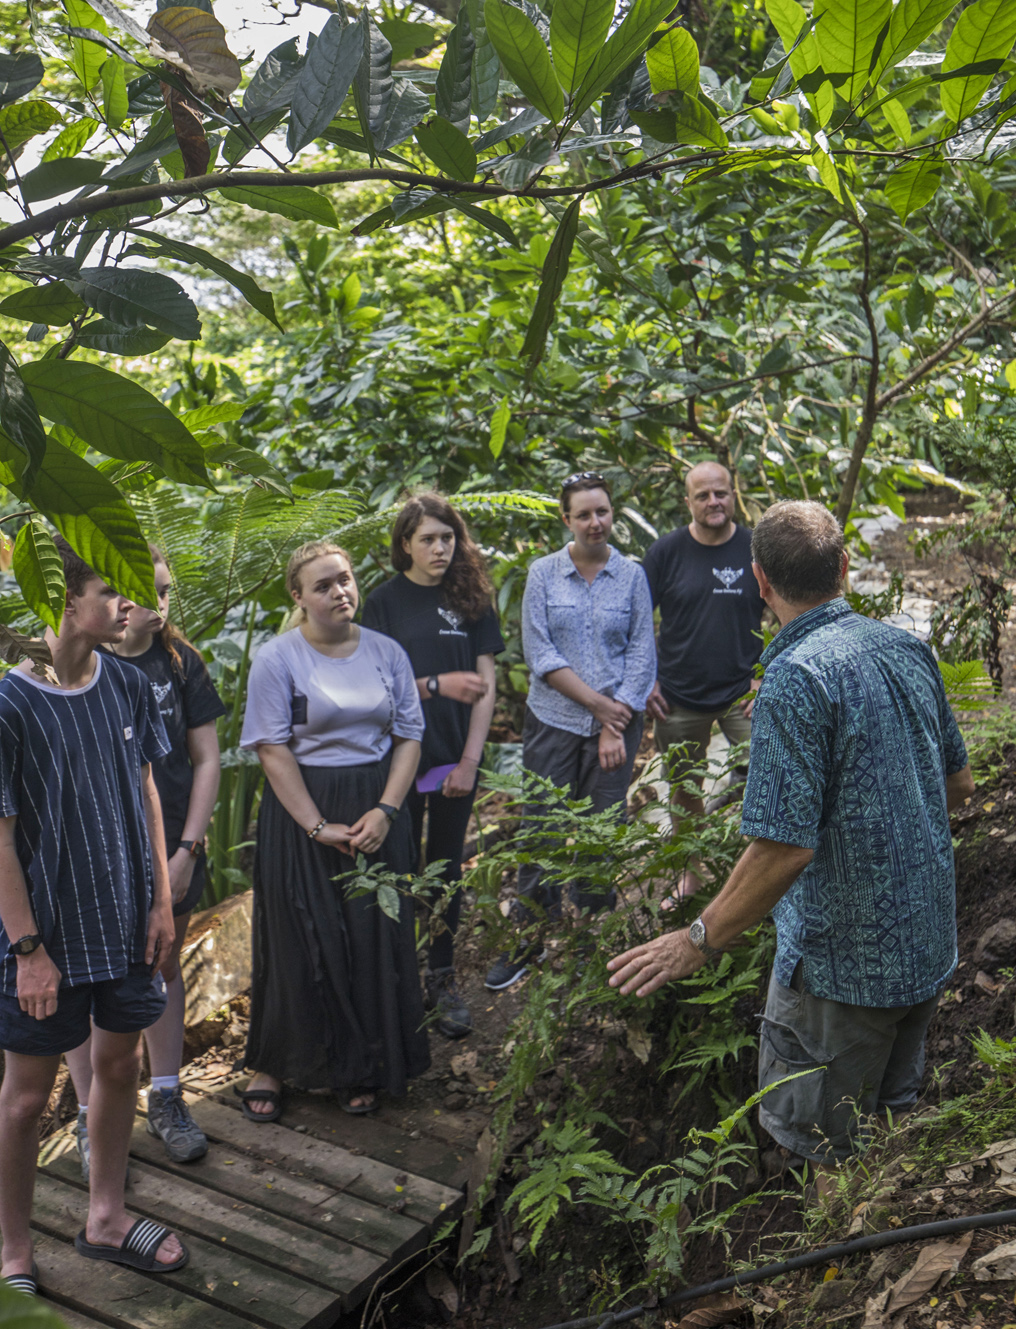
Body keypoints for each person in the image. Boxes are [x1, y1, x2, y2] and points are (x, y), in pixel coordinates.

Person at [608, 501, 974, 1182]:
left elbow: (784, 848)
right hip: (926, 946)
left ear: (760, 583)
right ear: (843, 567)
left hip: (843, 973)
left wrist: (696, 940)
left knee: (829, 1150)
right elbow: (959, 786)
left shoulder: (794, 679)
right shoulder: (907, 648)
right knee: (892, 1123)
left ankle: (836, 1272)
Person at [0, 536, 188, 1294]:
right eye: (116, 591)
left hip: (128, 920)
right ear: (62, 599)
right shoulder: (9, 704)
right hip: (46, 933)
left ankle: (105, 1217)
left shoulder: (128, 682)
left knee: (118, 1064)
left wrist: (163, 901)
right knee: (23, 1095)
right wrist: (28, 948)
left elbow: (146, 787)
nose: (131, 605)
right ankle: (13, 1250)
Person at [238, 540, 429, 1119]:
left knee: (371, 933)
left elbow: (409, 736)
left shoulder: (386, 652)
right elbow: (271, 748)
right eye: (323, 585)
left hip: (375, 805)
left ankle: (361, 1065)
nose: (340, 591)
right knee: (299, 933)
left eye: (344, 579)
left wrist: (386, 810)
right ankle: (277, 1062)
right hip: (301, 810)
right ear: (298, 597)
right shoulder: (277, 659)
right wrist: (317, 824)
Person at [65, 545, 224, 1172]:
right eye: (139, 589)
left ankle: (165, 1095)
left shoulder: (180, 663)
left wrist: (186, 849)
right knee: (88, 981)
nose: (154, 603)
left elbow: (203, 758)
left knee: (161, 968)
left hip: (173, 849)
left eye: (163, 591)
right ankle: (89, 1113)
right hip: (99, 856)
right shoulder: (80, 666)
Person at [485, 472, 656, 991]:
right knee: (543, 826)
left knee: (603, 829)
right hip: (554, 721)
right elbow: (541, 655)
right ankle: (531, 934)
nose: (595, 522)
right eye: (583, 514)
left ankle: (593, 937)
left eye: (602, 511)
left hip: (619, 726)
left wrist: (613, 721)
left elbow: (642, 655)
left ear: (612, 513)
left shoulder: (631, 576)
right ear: (566, 520)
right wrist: (599, 709)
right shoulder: (543, 574)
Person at [362, 494, 504, 1039]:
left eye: (447, 537)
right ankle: (395, 980)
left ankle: (441, 977)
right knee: (395, 870)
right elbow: (372, 686)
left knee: (444, 871)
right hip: (394, 763)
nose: (440, 548)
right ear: (406, 545)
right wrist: (431, 686)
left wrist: (470, 760)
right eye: (427, 539)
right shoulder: (382, 603)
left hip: (452, 761)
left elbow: (485, 687)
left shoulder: (471, 597)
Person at [642, 461, 767, 902]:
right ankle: (693, 875)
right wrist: (647, 680)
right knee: (684, 787)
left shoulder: (757, 549)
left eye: (722, 493)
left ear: (734, 494)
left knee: (771, 773)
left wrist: (765, 676)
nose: (714, 501)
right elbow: (639, 620)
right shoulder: (665, 553)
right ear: (688, 502)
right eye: (703, 495)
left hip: (742, 693)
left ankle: (761, 875)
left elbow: (789, 612)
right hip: (678, 695)